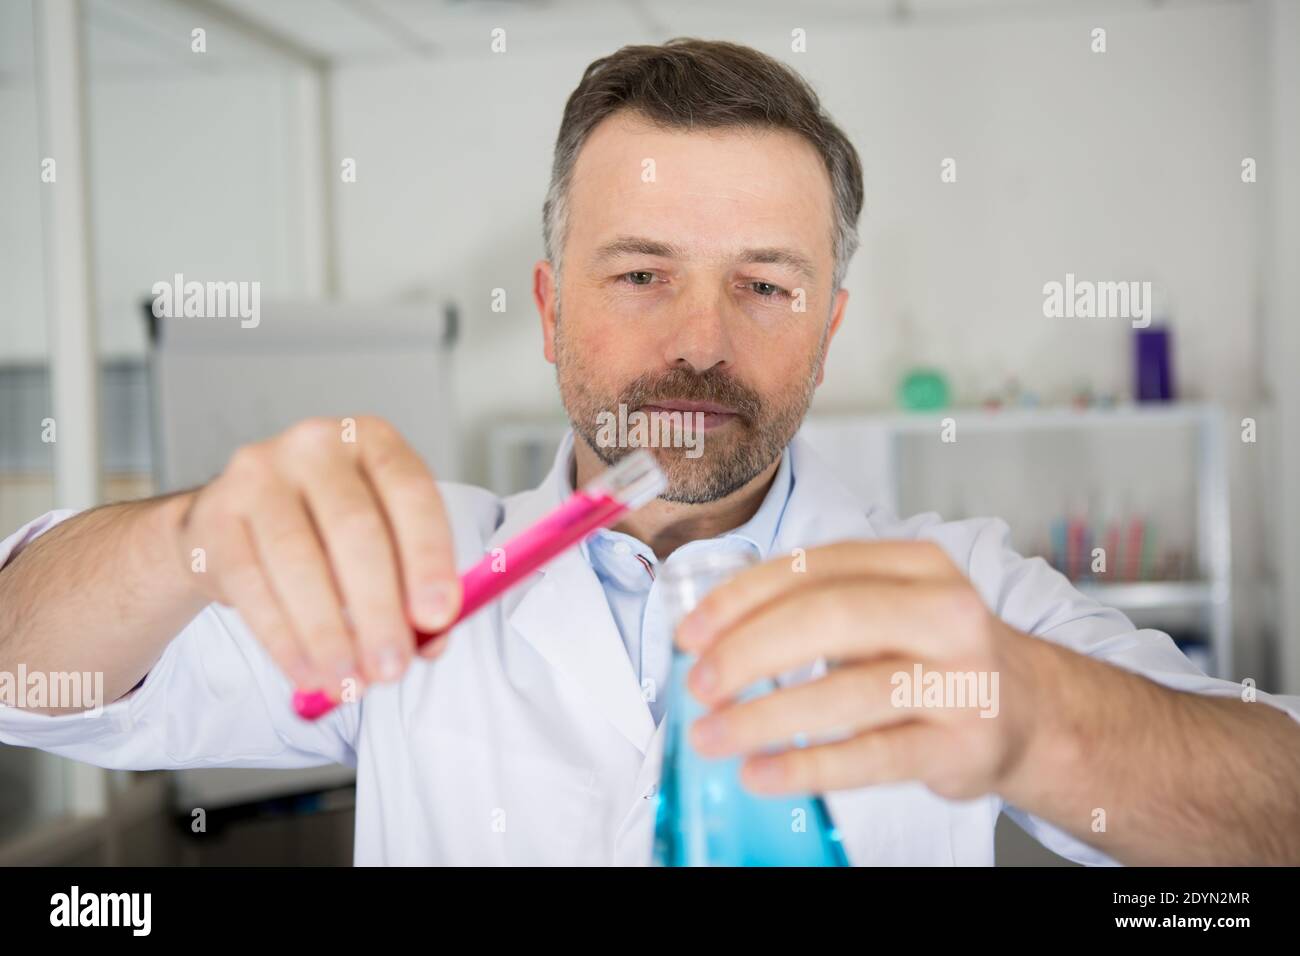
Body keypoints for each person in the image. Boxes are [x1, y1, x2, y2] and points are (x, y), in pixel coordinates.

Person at [1, 39, 1297, 866]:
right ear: (553, 305)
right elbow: (20, 672)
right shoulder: (412, 569)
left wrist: (1032, 715)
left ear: (831, 328)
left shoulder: (956, 594)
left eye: (766, 286)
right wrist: (189, 539)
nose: (700, 344)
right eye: (638, 274)